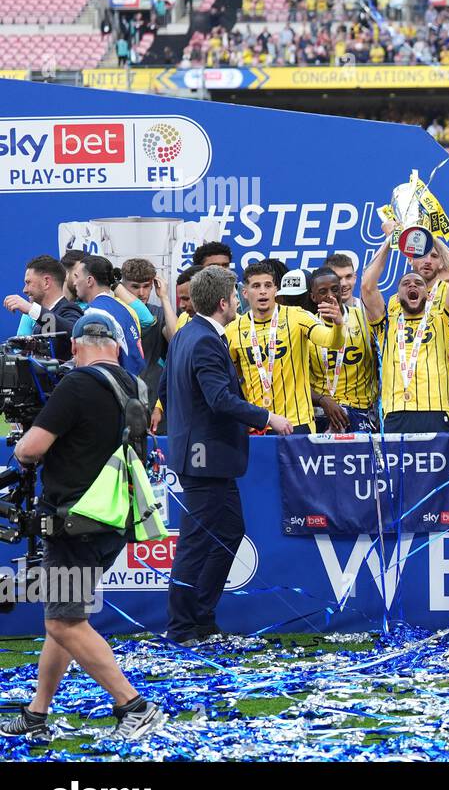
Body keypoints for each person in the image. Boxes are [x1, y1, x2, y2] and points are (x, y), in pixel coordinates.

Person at [0, 312, 169, 741]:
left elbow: (31, 449)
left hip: (74, 520)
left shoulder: (75, 384)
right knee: (64, 618)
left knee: (63, 623)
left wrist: (22, 444)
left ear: (75, 348)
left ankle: (134, 705)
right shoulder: (136, 386)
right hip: (113, 519)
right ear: (115, 346)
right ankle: (37, 715)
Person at [164, 267, 293, 647]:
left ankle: (201, 617)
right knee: (196, 543)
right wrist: (267, 417)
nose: (239, 301)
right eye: (236, 296)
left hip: (206, 456)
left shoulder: (189, 334)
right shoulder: (203, 340)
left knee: (228, 533)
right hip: (204, 458)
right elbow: (219, 399)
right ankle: (181, 627)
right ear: (223, 302)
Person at [361, 221, 449, 433]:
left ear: (428, 295)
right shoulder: (386, 325)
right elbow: (366, 286)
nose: (412, 285)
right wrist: (392, 239)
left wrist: (430, 237)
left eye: (418, 284)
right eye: (406, 283)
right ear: (396, 296)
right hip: (395, 411)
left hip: (436, 409)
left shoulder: (443, 321)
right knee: (398, 468)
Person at [226, 259, 344, 433]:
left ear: (276, 289)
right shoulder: (233, 330)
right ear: (245, 292)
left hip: (298, 423)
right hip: (258, 426)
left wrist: (338, 324)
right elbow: (229, 376)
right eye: (256, 286)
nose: (263, 291)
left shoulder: (297, 316)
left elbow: (331, 342)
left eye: (268, 285)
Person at [307, 266, 377, 433]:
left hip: (360, 411)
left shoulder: (363, 317)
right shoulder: (306, 324)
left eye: (335, 289)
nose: (330, 295)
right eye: (323, 291)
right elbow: (297, 381)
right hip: (321, 413)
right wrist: (323, 400)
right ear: (313, 297)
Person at [70, 255, 150, 378]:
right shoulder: (124, 308)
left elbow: (94, 362)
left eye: (76, 276)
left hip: (114, 386)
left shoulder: (94, 314)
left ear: (89, 281)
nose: (74, 283)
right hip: (132, 383)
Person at [4, 255, 83, 361]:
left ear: (46, 282)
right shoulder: (40, 321)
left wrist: (31, 309)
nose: (24, 290)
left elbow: (75, 331)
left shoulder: (69, 309)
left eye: (28, 282)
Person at [120, 258, 175, 408]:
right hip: (121, 393)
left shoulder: (158, 313)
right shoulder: (113, 311)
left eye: (146, 286)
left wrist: (164, 297)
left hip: (154, 396)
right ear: (122, 286)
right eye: (135, 287)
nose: (142, 293)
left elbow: (176, 339)